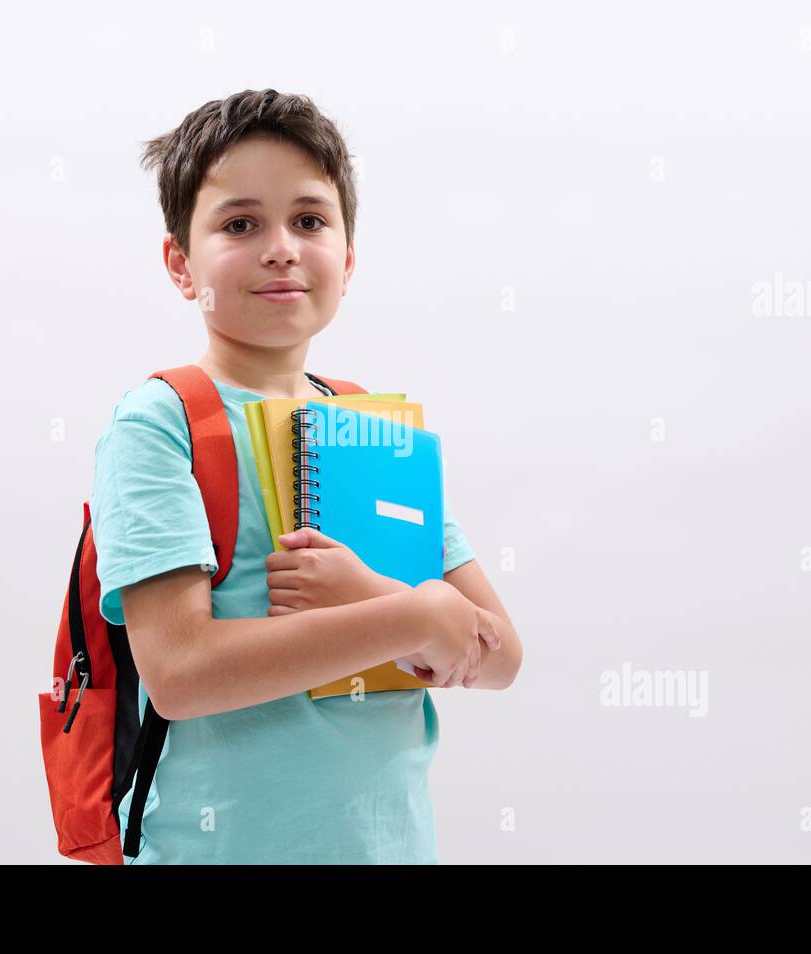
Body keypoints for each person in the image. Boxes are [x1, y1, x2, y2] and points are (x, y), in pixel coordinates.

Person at [91, 89, 522, 864]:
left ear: (348, 259)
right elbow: (182, 674)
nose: (282, 247)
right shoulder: (161, 424)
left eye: (310, 221)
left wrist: (384, 598)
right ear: (180, 265)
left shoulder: (377, 428)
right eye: (240, 224)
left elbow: (498, 655)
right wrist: (412, 617)